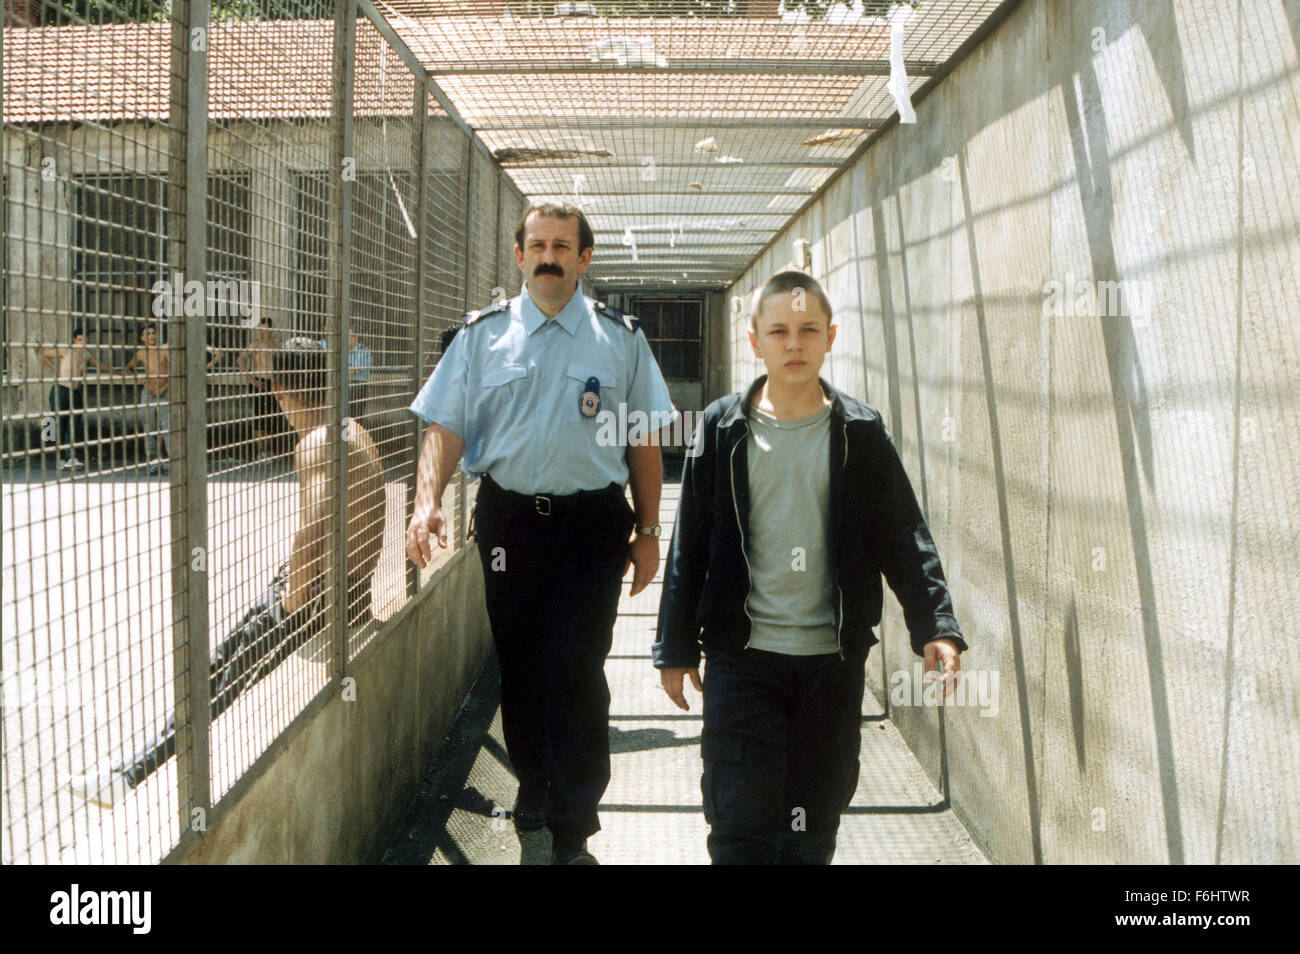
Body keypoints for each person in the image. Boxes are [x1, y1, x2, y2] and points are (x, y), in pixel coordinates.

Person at [653, 270, 968, 865]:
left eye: (807, 330)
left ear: (831, 337)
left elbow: (901, 532)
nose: (793, 344)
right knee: (741, 819)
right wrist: (674, 645)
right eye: (778, 331)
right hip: (742, 657)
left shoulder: (860, 431)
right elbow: (689, 543)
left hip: (831, 660)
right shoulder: (721, 429)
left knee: (813, 820)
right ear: (755, 342)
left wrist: (936, 625)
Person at [406, 202, 677, 865]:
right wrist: (425, 504)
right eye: (537, 245)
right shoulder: (481, 338)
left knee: (580, 665)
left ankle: (575, 819)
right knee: (522, 664)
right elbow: (443, 424)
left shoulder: (620, 338)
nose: (549, 256)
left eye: (562, 245)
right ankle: (533, 785)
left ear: (584, 258)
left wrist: (648, 529)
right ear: (520, 256)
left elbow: (642, 438)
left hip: (593, 526)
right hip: (510, 523)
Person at [67, 338, 386, 807]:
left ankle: (130, 774)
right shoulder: (351, 428)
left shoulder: (316, 441)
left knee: (220, 672)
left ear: (277, 388)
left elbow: (313, 530)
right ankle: (128, 770)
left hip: (321, 597)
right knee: (222, 663)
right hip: (352, 589)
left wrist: (288, 603)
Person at [40, 326, 114, 471]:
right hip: (61, 389)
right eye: (80, 339)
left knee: (74, 424)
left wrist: (119, 372)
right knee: (60, 423)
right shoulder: (66, 350)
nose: (83, 342)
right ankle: (60, 458)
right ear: (74, 340)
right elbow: (45, 355)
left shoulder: (86, 354)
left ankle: (71, 457)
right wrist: (55, 369)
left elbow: (100, 366)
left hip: (76, 391)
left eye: (85, 339)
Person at [123, 322, 170, 474]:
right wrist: (139, 380)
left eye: (153, 333)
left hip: (164, 391)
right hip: (148, 392)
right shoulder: (141, 353)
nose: (152, 336)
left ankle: (171, 460)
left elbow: (175, 371)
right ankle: (153, 460)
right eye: (148, 334)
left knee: (167, 426)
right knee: (149, 425)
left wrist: (163, 388)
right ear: (142, 338)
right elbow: (128, 367)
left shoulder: (164, 350)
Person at [236, 318, 281, 461]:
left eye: (266, 328)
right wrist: (250, 379)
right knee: (259, 416)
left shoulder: (276, 344)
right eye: (261, 328)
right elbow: (240, 359)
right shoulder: (255, 344)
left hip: (273, 382)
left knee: (272, 416)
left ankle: (270, 450)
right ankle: (260, 451)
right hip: (258, 381)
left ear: (271, 328)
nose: (264, 331)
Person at [347, 331, 373, 419]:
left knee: (356, 416)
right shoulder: (342, 351)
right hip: (344, 385)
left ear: (355, 338)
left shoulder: (364, 351)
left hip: (358, 386)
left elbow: (353, 372)